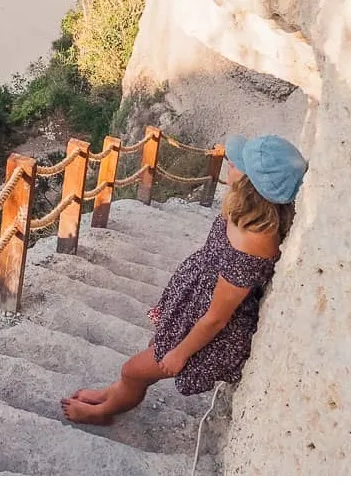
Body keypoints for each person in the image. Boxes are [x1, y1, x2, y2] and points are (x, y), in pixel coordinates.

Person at [61, 134, 308, 425]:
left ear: (250, 186)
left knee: (133, 370)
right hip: (193, 309)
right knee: (144, 363)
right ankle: (115, 392)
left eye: (237, 165)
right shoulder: (250, 214)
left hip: (206, 329)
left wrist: (180, 354)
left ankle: (103, 413)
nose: (230, 164)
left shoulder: (251, 245)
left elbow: (216, 319)